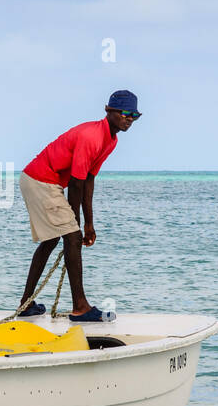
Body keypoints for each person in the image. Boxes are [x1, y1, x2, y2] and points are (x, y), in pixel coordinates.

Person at [17, 90, 140, 321]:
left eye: (135, 115)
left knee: (53, 239)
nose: (129, 118)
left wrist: (90, 224)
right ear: (109, 111)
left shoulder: (110, 140)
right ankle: (80, 307)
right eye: (125, 113)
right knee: (71, 237)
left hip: (44, 182)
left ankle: (26, 304)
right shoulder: (91, 136)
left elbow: (88, 181)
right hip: (41, 180)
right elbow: (75, 184)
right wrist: (77, 224)